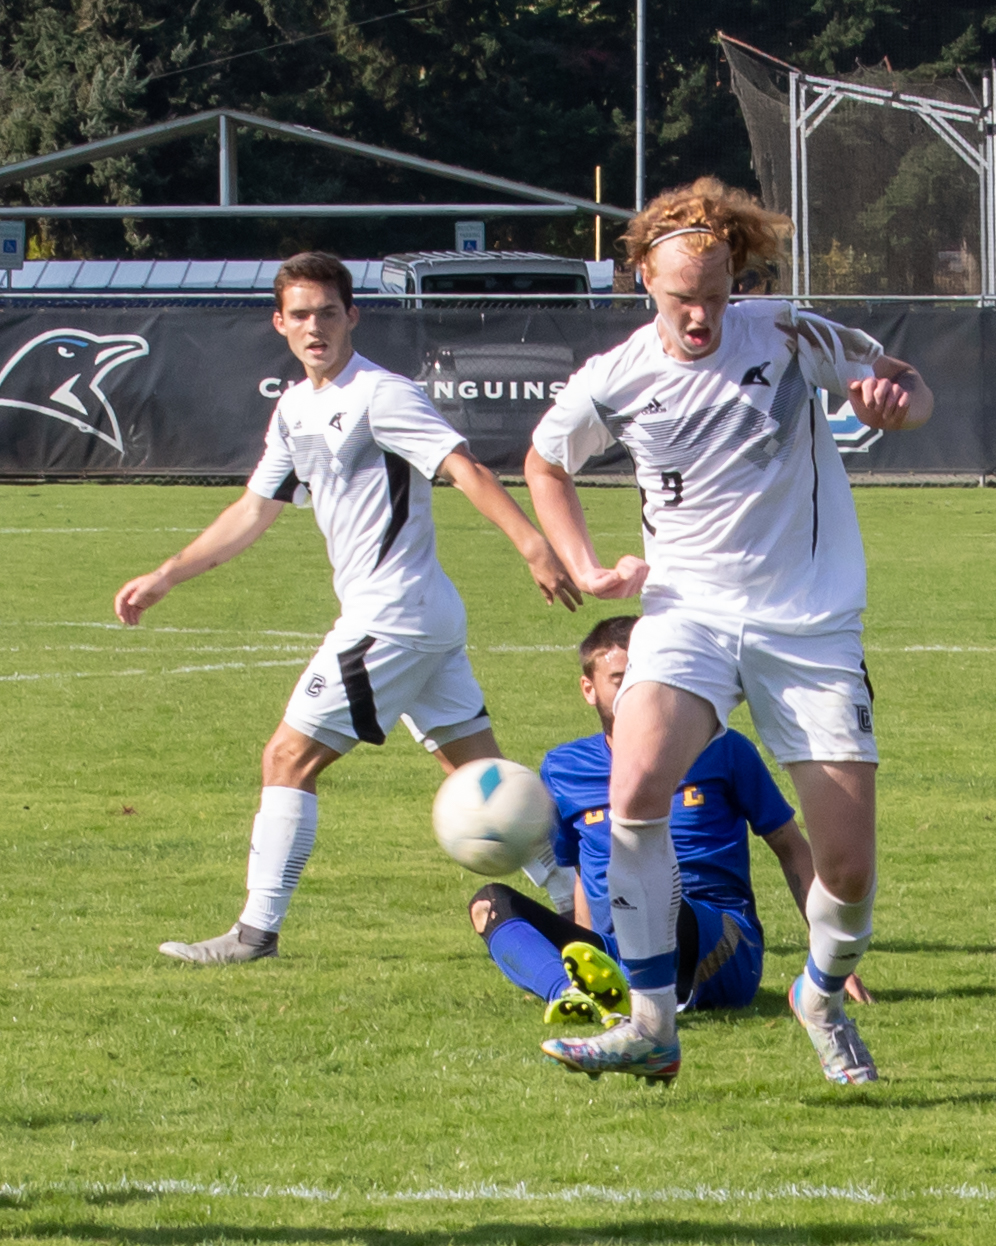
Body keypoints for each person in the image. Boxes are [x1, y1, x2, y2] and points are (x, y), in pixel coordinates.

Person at [522, 178, 932, 1086]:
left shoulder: (786, 332)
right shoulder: (616, 377)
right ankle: (653, 1023)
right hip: (687, 611)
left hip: (810, 626)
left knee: (849, 873)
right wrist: (585, 563)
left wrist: (891, 402)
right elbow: (544, 461)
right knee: (633, 788)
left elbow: (905, 384)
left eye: (713, 296)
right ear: (643, 282)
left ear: (735, 278)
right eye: (680, 299)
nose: (699, 317)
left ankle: (819, 993)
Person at [115, 251, 580, 964]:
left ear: (352, 316)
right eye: (299, 315)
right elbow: (254, 509)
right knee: (484, 781)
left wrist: (532, 544)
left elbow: (464, 467)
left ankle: (254, 933)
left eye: (327, 312)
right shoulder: (297, 407)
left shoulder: (379, 395)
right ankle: (587, 900)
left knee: (286, 758)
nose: (314, 327)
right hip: (420, 616)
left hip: (389, 617)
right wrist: (166, 575)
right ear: (279, 323)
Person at [469, 616, 869, 1052]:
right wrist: (585, 945)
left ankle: (627, 990)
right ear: (588, 689)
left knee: (660, 898)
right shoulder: (563, 769)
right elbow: (583, 873)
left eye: (640, 678)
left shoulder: (725, 750)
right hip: (620, 944)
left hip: (720, 939)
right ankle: (572, 993)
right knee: (490, 903)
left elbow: (792, 850)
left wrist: (829, 956)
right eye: (618, 679)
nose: (629, 692)